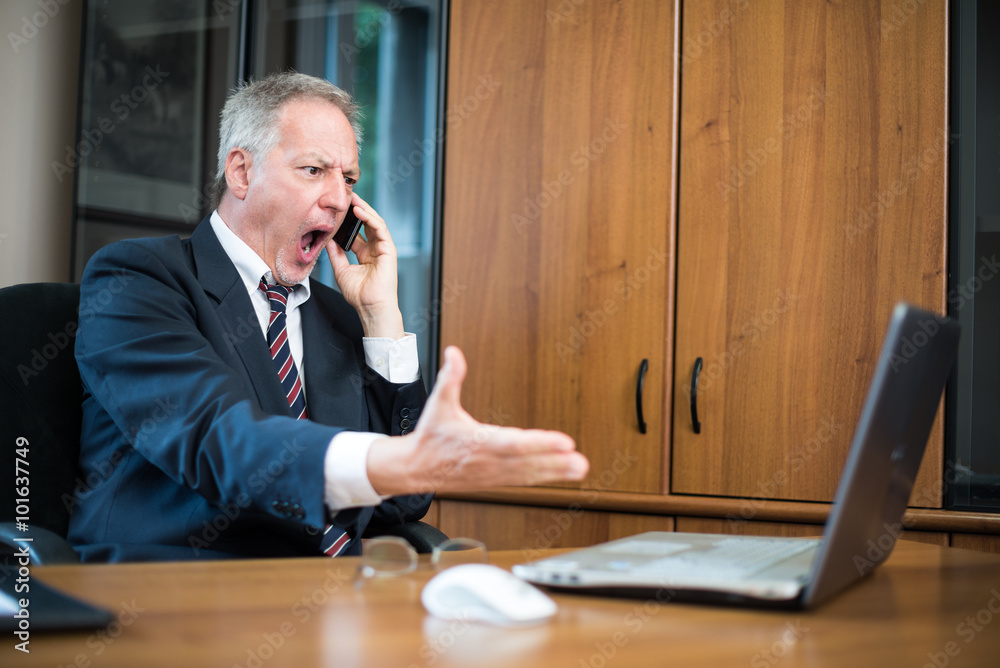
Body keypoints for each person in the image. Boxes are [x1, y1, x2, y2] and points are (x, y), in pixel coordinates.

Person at [68, 72, 588, 562]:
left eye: (350, 178)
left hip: (333, 603)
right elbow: (213, 436)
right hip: (178, 600)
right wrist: (389, 463)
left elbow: (402, 504)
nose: (340, 200)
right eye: (314, 170)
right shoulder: (138, 279)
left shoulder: (338, 316)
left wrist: (381, 319)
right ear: (242, 172)